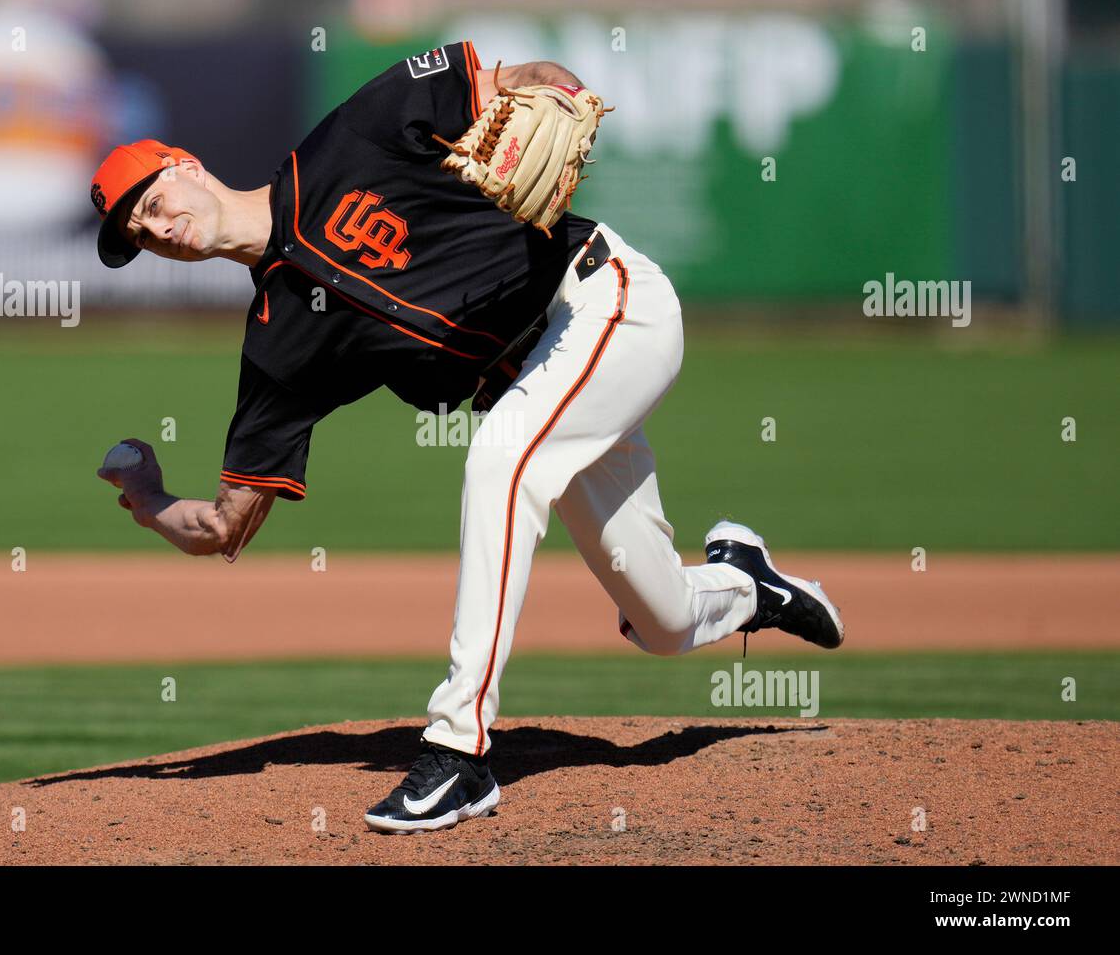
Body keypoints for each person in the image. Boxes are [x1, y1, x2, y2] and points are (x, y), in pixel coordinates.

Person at [90, 41, 845, 834]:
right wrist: (148, 500)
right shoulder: (279, 344)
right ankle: (750, 583)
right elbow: (224, 525)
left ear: (186, 164)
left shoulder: (348, 139)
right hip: (544, 390)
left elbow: (522, 77)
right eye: (135, 232)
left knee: (499, 457)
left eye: (148, 197)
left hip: (603, 302)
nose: (154, 226)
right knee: (662, 621)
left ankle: (459, 750)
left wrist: (559, 93)